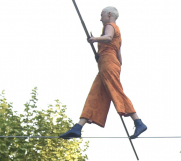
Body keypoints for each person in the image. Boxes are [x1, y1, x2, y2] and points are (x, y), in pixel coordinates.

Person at [58, 7, 147, 140]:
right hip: (109, 64)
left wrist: (95, 39)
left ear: (109, 14)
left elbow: (108, 37)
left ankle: (138, 121)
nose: (100, 18)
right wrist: (101, 56)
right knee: (95, 94)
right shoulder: (119, 34)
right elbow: (119, 58)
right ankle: (78, 127)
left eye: (102, 15)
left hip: (108, 64)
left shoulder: (110, 26)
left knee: (116, 91)